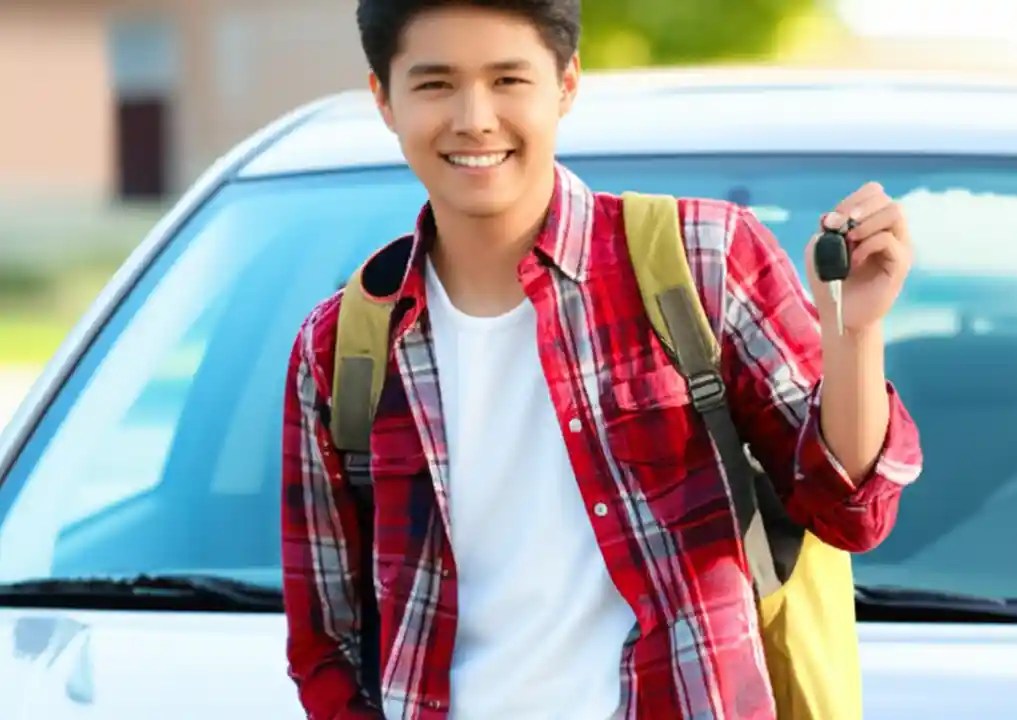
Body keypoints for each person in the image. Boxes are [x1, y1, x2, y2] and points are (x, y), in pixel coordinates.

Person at [280, 1, 923, 718]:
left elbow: (848, 512)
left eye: (508, 80)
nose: (474, 118)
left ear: (566, 84)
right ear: (384, 100)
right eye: (434, 84)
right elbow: (324, 643)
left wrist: (856, 334)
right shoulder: (341, 348)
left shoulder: (702, 262)